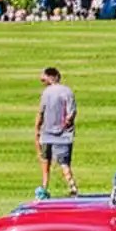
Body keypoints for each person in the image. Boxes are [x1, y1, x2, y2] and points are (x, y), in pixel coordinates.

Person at [35, 67, 78, 199]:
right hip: (64, 135)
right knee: (64, 163)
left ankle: (44, 187)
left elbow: (41, 112)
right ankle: (72, 187)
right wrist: (65, 125)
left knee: (45, 161)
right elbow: (72, 113)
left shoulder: (46, 93)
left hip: (47, 133)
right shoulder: (67, 92)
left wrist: (37, 128)